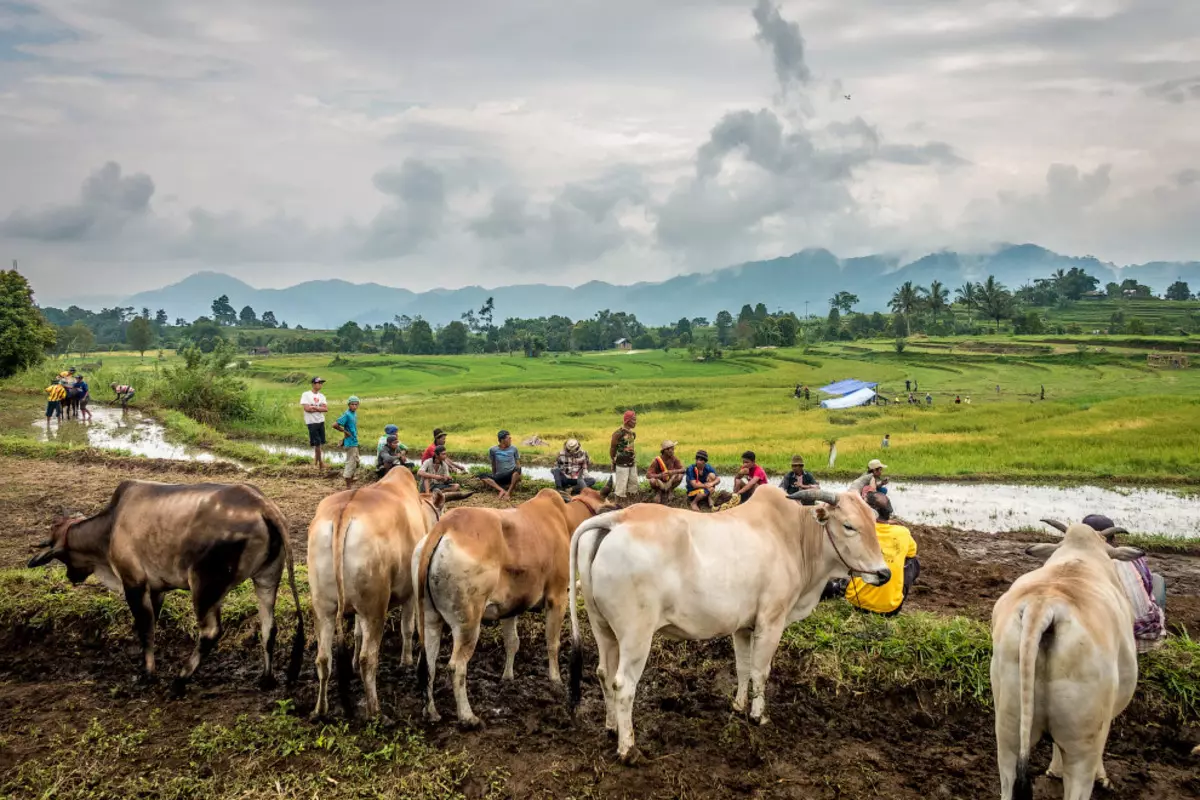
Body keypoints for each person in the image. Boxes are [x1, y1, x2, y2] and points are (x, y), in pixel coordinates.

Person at [1082, 514, 1166, 652]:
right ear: (1113, 538)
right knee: (1156, 580)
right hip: (1149, 638)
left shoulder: (1082, 562)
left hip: (1106, 645)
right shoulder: (1133, 557)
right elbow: (1148, 583)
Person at [843, 492, 919, 617]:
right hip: (891, 609)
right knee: (913, 562)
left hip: (856, 602)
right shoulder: (903, 533)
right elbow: (912, 553)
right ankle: (893, 594)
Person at [300, 376, 329, 471]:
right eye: (318, 383)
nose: (320, 384)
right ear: (313, 384)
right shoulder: (306, 394)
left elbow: (325, 409)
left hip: (321, 421)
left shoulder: (322, 396)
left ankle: (316, 462)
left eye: (321, 383)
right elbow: (307, 409)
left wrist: (314, 408)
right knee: (317, 443)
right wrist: (319, 408)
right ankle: (321, 464)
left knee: (320, 443)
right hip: (312, 422)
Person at [483, 429, 522, 500]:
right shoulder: (493, 450)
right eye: (509, 438)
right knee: (482, 475)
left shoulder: (514, 448)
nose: (510, 439)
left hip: (510, 476)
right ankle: (501, 490)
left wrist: (519, 476)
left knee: (518, 468)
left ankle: (508, 493)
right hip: (499, 476)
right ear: (502, 440)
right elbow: (493, 464)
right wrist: (494, 475)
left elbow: (518, 464)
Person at [609, 410, 638, 504]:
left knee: (633, 484)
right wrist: (613, 460)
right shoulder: (618, 434)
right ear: (627, 421)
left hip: (632, 462)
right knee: (621, 486)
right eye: (633, 420)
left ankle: (630, 504)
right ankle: (617, 504)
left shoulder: (633, 434)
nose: (635, 422)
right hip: (622, 464)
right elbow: (613, 448)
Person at [332, 396, 361, 489]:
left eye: (356, 404)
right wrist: (345, 432)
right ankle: (348, 485)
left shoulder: (354, 414)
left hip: (353, 441)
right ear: (348, 405)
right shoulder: (347, 415)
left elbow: (350, 427)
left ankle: (350, 479)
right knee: (351, 463)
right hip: (351, 443)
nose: (354, 406)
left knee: (356, 462)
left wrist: (344, 438)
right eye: (352, 404)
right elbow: (335, 425)